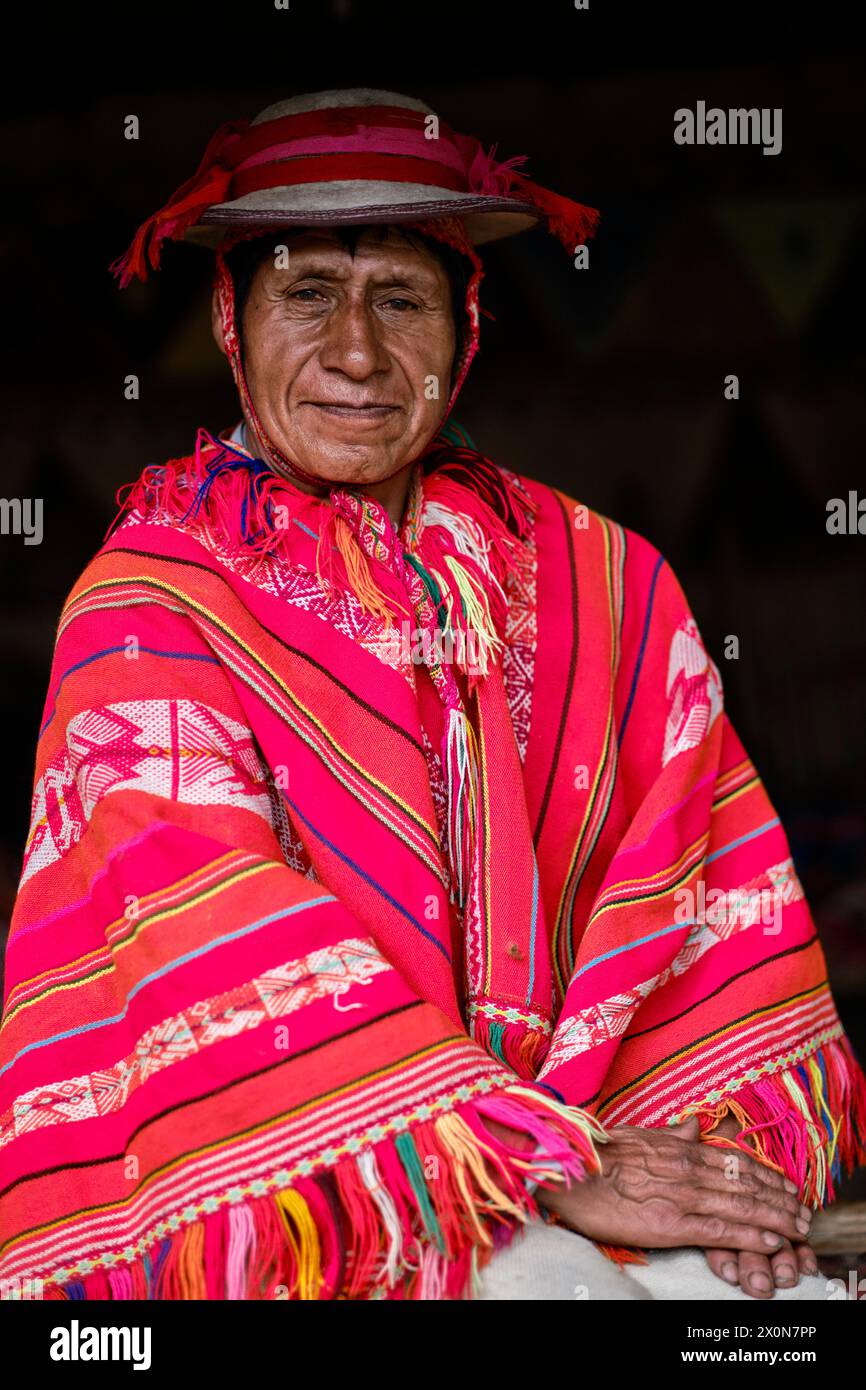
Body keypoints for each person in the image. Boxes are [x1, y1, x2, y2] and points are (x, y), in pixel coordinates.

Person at [1, 88, 863, 1303]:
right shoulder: (152, 603)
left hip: (595, 1151)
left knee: (778, 1304)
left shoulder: (600, 577)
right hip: (290, 1190)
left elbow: (695, 892)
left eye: (398, 298)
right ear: (229, 321)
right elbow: (204, 928)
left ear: (462, 327)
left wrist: (713, 1183)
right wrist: (536, 1159)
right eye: (308, 293)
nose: (356, 352)